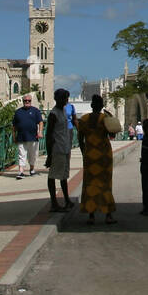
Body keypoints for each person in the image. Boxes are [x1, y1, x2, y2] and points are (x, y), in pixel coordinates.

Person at [76, 93, 121, 224]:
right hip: (104, 156)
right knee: (105, 185)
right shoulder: (104, 118)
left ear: (91, 105)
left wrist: (84, 152)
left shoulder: (83, 119)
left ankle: (91, 215)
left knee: (90, 184)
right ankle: (108, 215)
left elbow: (80, 139)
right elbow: (112, 134)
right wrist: (111, 118)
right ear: (101, 106)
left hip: (90, 155)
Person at [46, 88, 75, 211]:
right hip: (57, 148)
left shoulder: (63, 110)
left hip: (65, 148)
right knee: (53, 175)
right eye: (64, 98)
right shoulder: (53, 114)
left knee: (63, 175)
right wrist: (49, 154)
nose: (66, 101)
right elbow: (49, 134)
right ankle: (54, 203)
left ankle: (67, 199)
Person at [12, 94, 44, 179]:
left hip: (33, 137)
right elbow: (14, 126)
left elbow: (40, 122)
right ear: (23, 102)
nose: (27, 102)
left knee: (32, 155)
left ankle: (32, 169)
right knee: (21, 154)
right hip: (21, 137)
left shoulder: (35, 111)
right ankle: (21, 171)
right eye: (25, 101)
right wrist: (14, 136)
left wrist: (40, 132)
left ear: (31, 101)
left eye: (28, 100)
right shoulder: (18, 112)